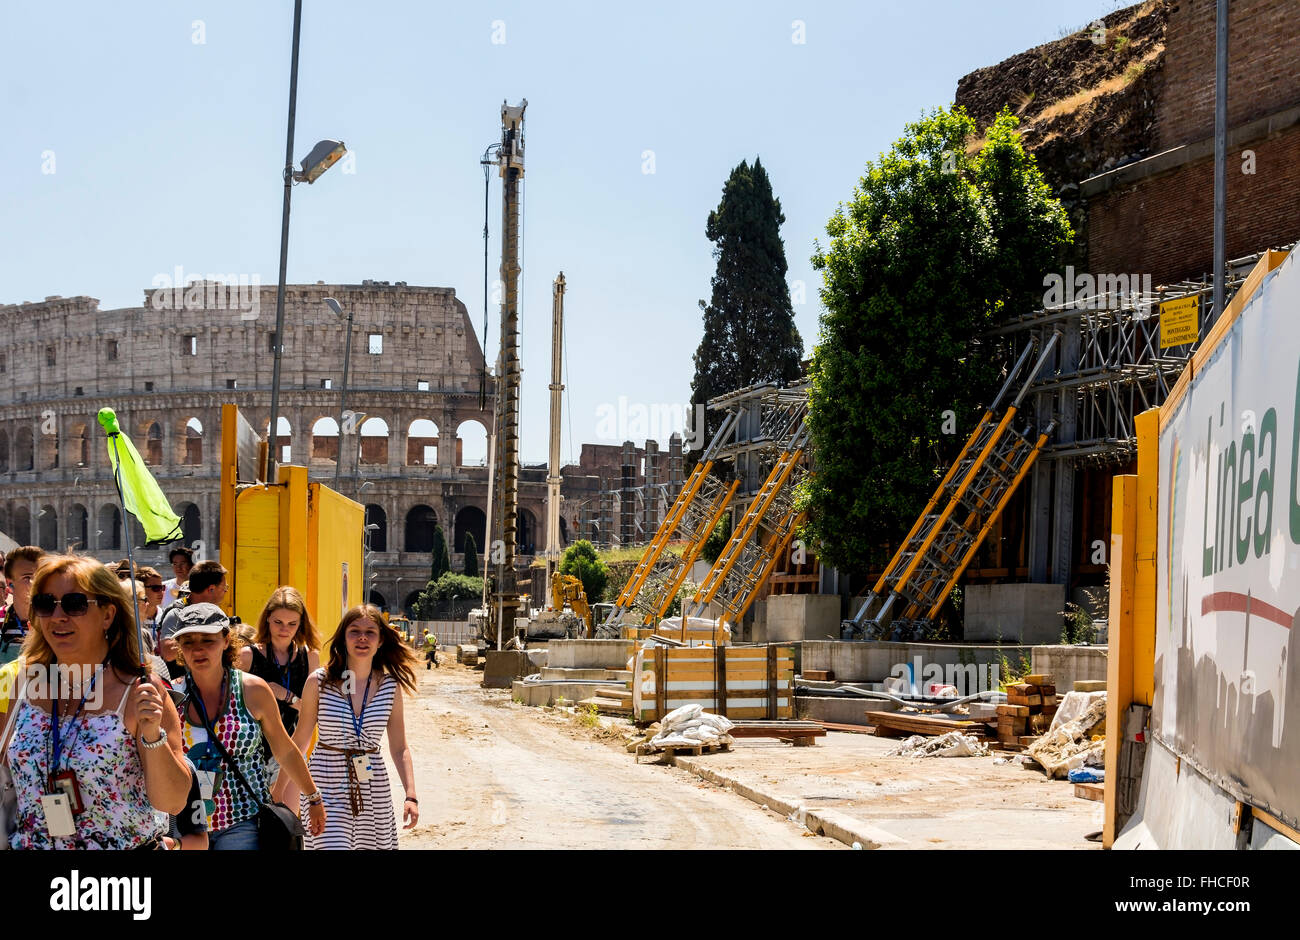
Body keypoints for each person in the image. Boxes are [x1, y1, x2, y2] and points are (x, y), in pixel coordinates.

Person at [0, 555, 191, 848]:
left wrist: (153, 735)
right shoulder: (27, 681)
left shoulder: (139, 689)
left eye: (75, 604)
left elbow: (174, 801)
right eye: (45, 604)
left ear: (107, 614)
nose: (58, 616)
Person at [171, 602, 326, 849]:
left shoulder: (252, 690)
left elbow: (284, 749)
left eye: (207, 640)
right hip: (185, 826)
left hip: (244, 821)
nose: (198, 649)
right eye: (188, 641)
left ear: (225, 640)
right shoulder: (172, 695)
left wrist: (313, 796)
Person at [290, 604, 418, 849]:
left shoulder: (390, 687)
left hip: (372, 785)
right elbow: (300, 741)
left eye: (370, 632)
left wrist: (411, 795)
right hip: (324, 783)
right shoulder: (319, 681)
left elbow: (400, 747)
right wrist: (280, 791)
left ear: (380, 641)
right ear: (343, 638)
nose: (362, 637)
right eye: (354, 631)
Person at [238, 587, 320, 797]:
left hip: (291, 748)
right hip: (251, 751)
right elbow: (233, 705)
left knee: (285, 818)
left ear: (301, 624)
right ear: (267, 619)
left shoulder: (309, 657)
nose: (284, 629)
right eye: (278, 622)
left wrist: (285, 695)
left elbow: (312, 712)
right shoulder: (248, 656)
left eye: (292, 624)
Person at [159, 560, 226, 680]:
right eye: (224, 588)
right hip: (183, 688)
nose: (225, 592)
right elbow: (168, 653)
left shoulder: (216, 613)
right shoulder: (176, 613)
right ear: (211, 589)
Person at [2, 546, 44, 665]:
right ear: (10, 585)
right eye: (27, 578)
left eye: (40, 577)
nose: (35, 583)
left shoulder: (58, 621)